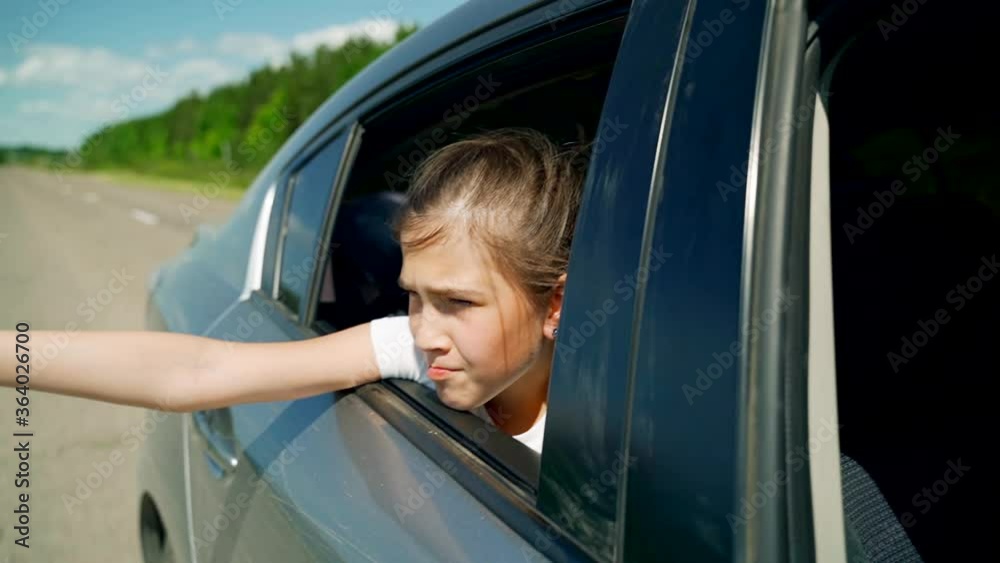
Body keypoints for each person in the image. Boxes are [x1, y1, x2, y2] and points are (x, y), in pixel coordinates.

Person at [1, 127, 589, 455]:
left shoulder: (624, 410)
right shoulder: (412, 350)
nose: (425, 330)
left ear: (554, 305)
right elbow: (196, 372)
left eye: (459, 302)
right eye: (413, 295)